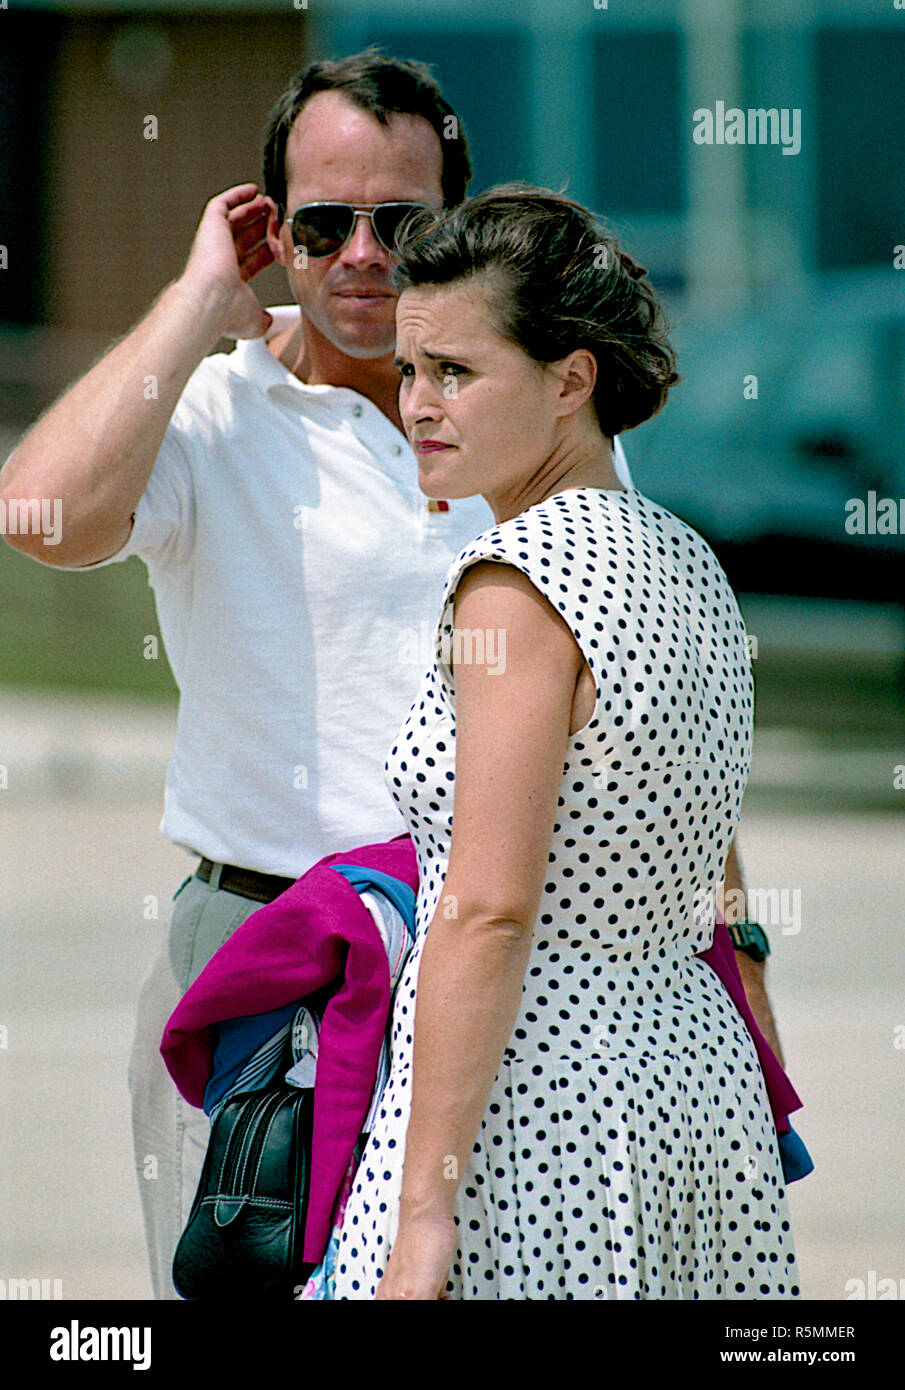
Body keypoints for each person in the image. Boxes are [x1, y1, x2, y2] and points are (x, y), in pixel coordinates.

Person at [0, 50, 781, 1299]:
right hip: (266, 949)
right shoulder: (209, 409)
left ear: (450, 228)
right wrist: (199, 298)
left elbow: (633, 723)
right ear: (273, 231)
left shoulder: (536, 423)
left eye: (400, 222)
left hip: (493, 978)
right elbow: (37, 513)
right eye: (320, 223)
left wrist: (735, 946)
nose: (360, 252)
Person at [331, 186, 800, 1300]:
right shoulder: (685, 557)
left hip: (535, 1104)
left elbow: (489, 909)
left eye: (454, 371)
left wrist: (425, 1214)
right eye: (408, 371)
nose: (417, 406)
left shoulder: (515, 585)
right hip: (695, 1086)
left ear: (569, 379)